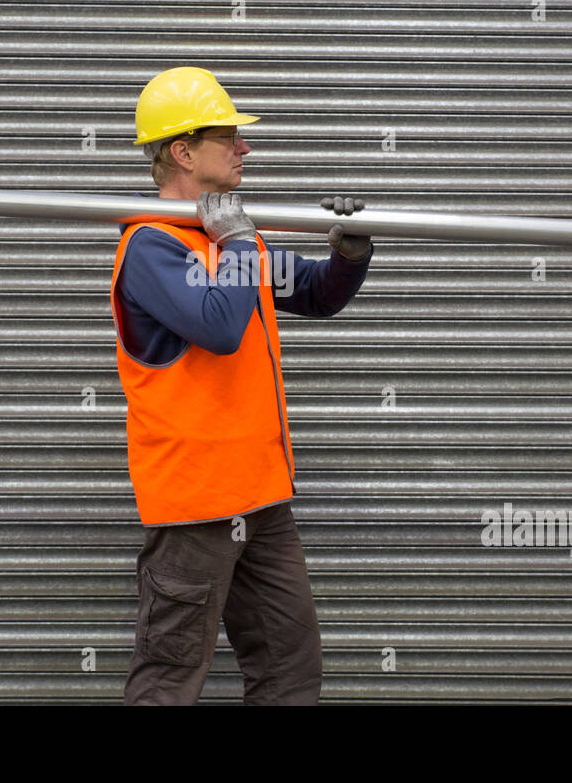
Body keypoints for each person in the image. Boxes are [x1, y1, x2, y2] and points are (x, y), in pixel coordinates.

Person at [110, 66, 374, 704]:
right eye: (230, 137)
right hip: (197, 508)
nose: (246, 148)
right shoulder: (153, 248)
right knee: (170, 682)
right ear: (184, 151)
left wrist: (350, 254)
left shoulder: (226, 241)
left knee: (290, 671)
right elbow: (221, 326)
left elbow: (314, 293)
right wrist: (237, 244)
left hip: (261, 501)